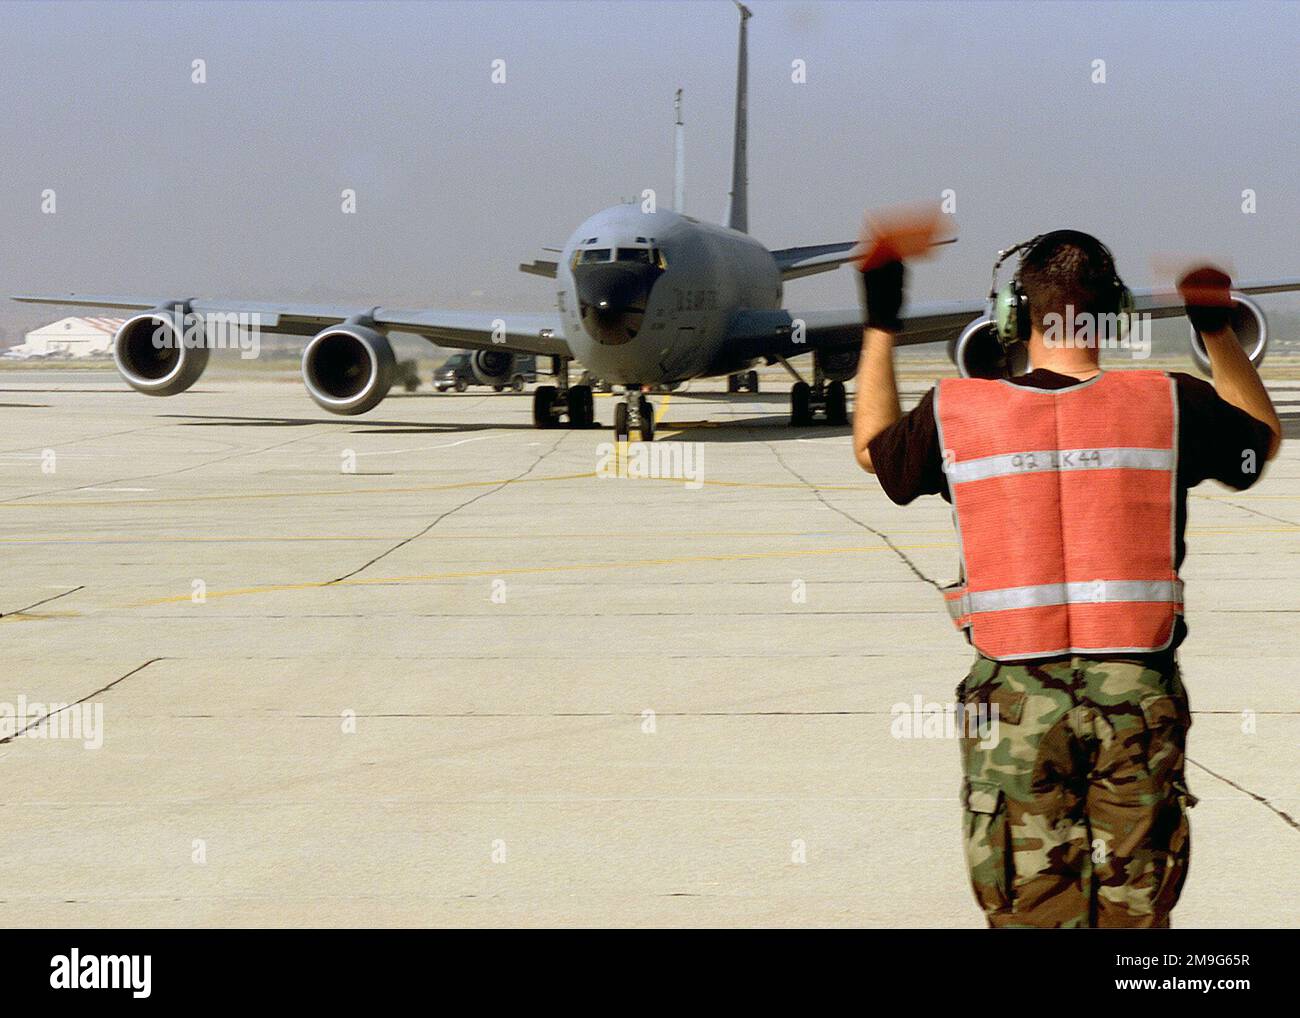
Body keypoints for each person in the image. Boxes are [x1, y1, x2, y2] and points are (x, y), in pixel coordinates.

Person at [852, 231, 1282, 928]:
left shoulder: (956, 411)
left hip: (1014, 705)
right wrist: (1215, 330)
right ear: (1113, 312)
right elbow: (1258, 436)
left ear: (1013, 316)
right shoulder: (1170, 402)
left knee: (1030, 913)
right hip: (1136, 699)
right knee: (1136, 920)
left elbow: (874, 453)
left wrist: (879, 325)